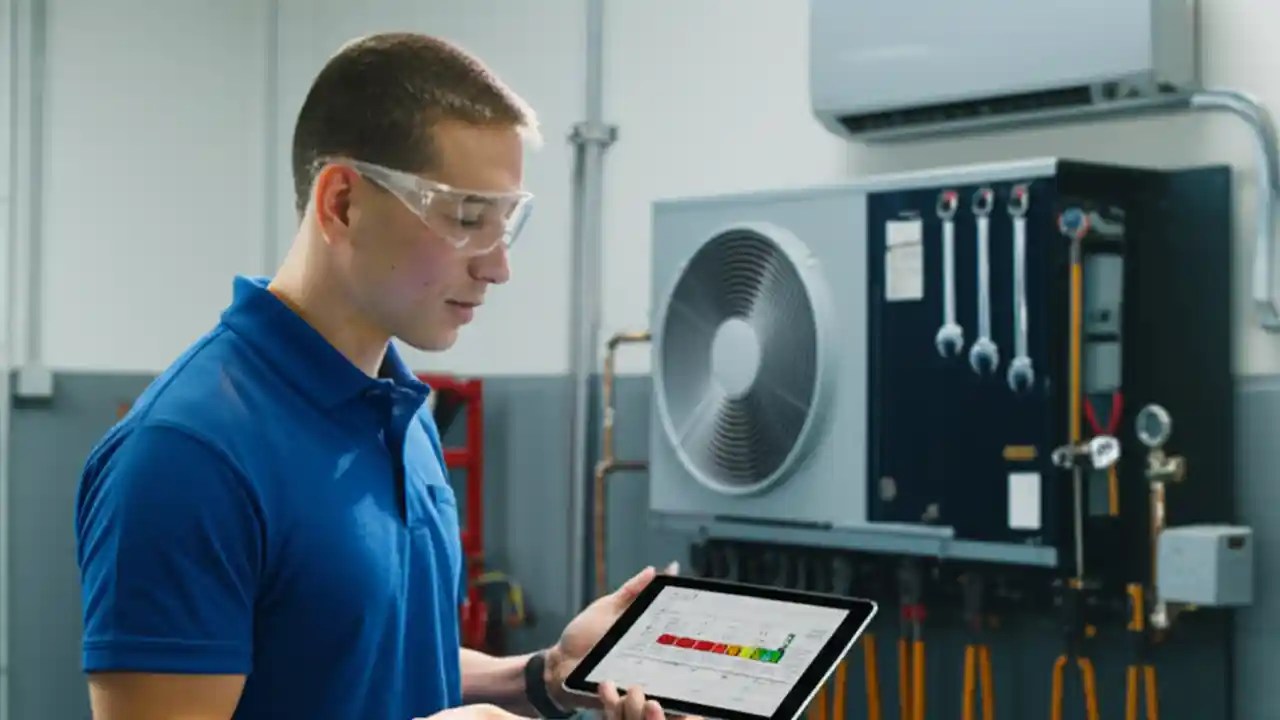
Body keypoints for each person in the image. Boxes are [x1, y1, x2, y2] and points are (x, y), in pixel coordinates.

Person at [74, 32, 682, 720]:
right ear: (343, 202)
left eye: (505, 225)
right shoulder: (186, 453)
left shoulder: (400, 411)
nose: (496, 266)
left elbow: (368, 657)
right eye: (466, 218)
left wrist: (543, 675)